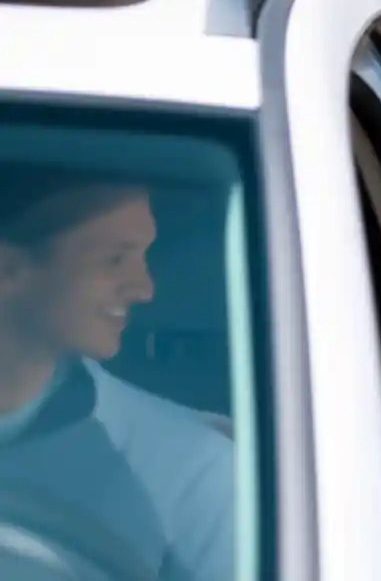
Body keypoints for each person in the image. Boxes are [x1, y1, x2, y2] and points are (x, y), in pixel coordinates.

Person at [0, 166, 233, 581]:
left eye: (143, 255)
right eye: (115, 260)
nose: (145, 289)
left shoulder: (196, 475)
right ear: (9, 269)